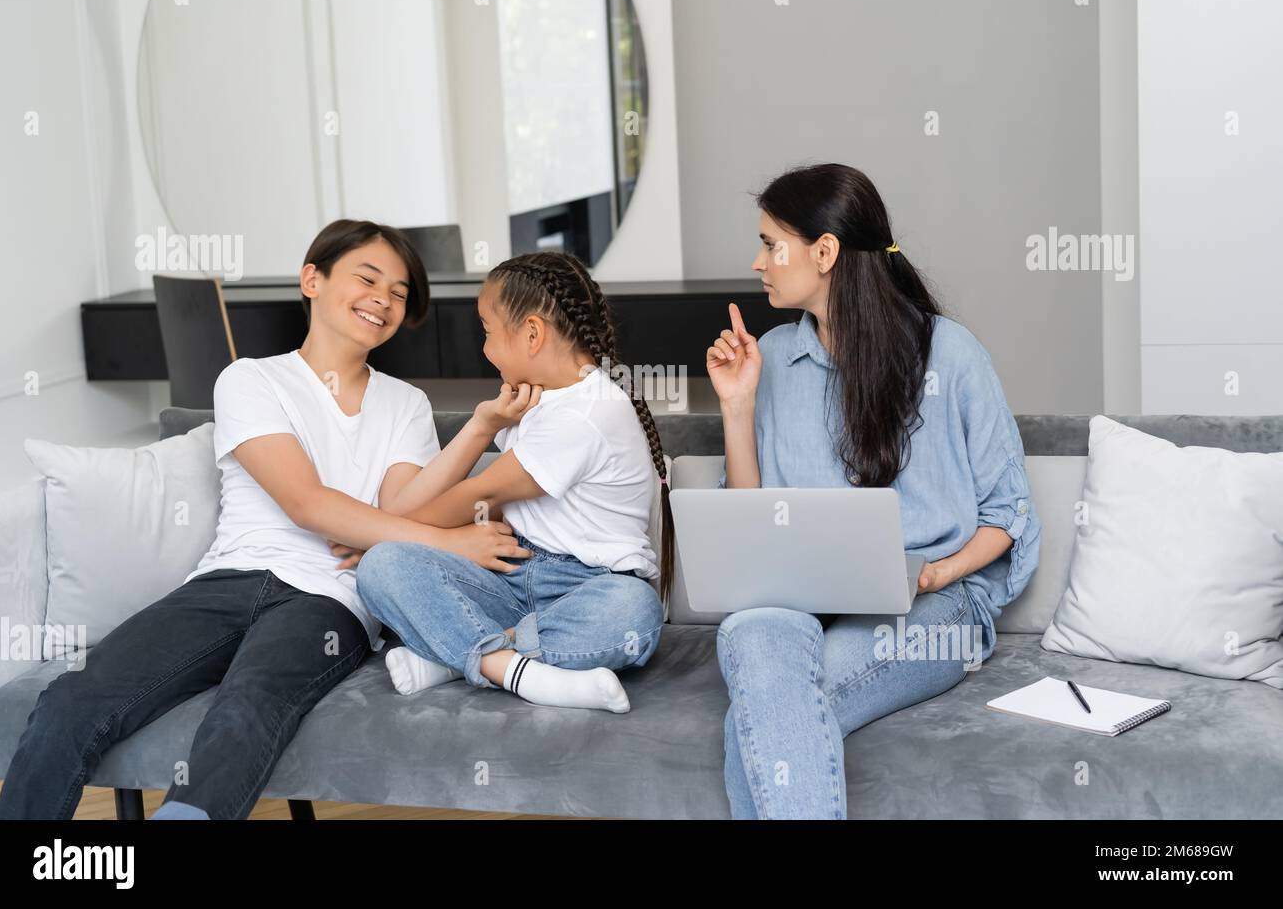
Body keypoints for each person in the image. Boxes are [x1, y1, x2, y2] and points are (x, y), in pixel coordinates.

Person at [0, 218, 530, 820]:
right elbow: (307, 504)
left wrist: (478, 430)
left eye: (400, 293)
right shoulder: (250, 380)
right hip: (228, 581)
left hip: (332, 600)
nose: (384, 299)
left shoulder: (405, 404)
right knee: (73, 698)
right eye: (368, 278)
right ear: (313, 280)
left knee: (248, 706)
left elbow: (396, 509)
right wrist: (448, 543)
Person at [706, 163, 1041, 819]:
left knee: (760, 718)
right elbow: (748, 532)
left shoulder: (950, 354)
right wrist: (737, 406)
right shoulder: (768, 357)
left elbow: (1009, 513)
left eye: (772, 244)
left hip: (937, 605)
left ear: (824, 252)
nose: (758, 261)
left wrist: (939, 572)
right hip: (804, 602)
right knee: (753, 630)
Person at [356, 251, 672, 714]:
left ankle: (468, 658)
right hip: (512, 574)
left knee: (632, 612)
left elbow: (475, 496)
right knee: (382, 566)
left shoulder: (589, 409)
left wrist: (386, 526)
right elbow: (428, 510)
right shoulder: (535, 402)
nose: (484, 348)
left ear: (531, 333)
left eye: (487, 331)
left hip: (587, 587)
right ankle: (512, 665)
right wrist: (484, 422)